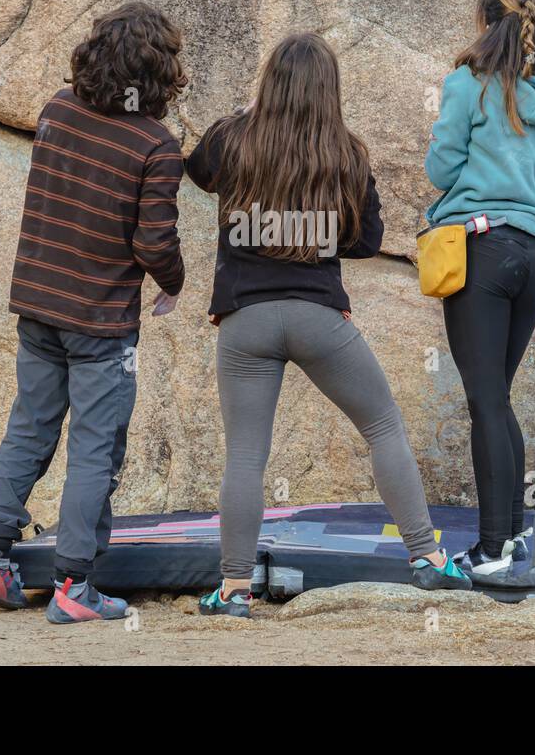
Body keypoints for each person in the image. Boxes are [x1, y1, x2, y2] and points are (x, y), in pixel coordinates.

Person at [186, 32, 472, 618]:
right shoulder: (346, 152)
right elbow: (366, 241)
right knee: (383, 425)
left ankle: (234, 589)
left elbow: (195, 170)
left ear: (268, 85)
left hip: (245, 319)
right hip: (320, 315)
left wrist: (240, 117)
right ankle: (425, 559)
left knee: (245, 454)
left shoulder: (232, 140)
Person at [0, 2, 187, 624]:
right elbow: (153, 243)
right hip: (99, 322)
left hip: (38, 306)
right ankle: (74, 585)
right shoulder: (155, 145)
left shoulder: (57, 109)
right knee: (96, 450)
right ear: (158, 72)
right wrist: (172, 283)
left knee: (29, 428)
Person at [425, 0, 535, 582]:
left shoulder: (469, 83)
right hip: (534, 258)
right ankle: (513, 533)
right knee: (497, 398)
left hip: (481, 250)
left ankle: (491, 553)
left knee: (485, 401)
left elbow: (442, 168)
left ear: (486, 22)